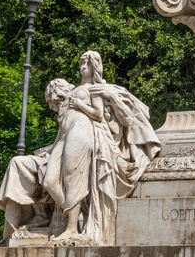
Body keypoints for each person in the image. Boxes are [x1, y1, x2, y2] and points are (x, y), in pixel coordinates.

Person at [42, 50, 160, 244]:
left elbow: (97, 114)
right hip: (63, 137)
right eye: (81, 63)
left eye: (86, 64)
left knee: (73, 178)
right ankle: (76, 213)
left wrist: (80, 104)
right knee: (49, 181)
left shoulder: (94, 90)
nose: (82, 67)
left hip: (81, 134)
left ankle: (72, 227)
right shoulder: (72, 90)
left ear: (94, 66)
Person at [0, 79, 74, 245]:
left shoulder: (75, 110)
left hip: (69, 158)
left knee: (29, 167)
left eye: (51, 102)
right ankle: (38, 214)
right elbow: (60, 141)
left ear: (59, 96)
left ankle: (53, 213)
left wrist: (51, 155)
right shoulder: (63, 114)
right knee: (17, 162)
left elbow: (75, 141)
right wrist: (47, 152)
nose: (50, 107)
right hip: (56, 155)